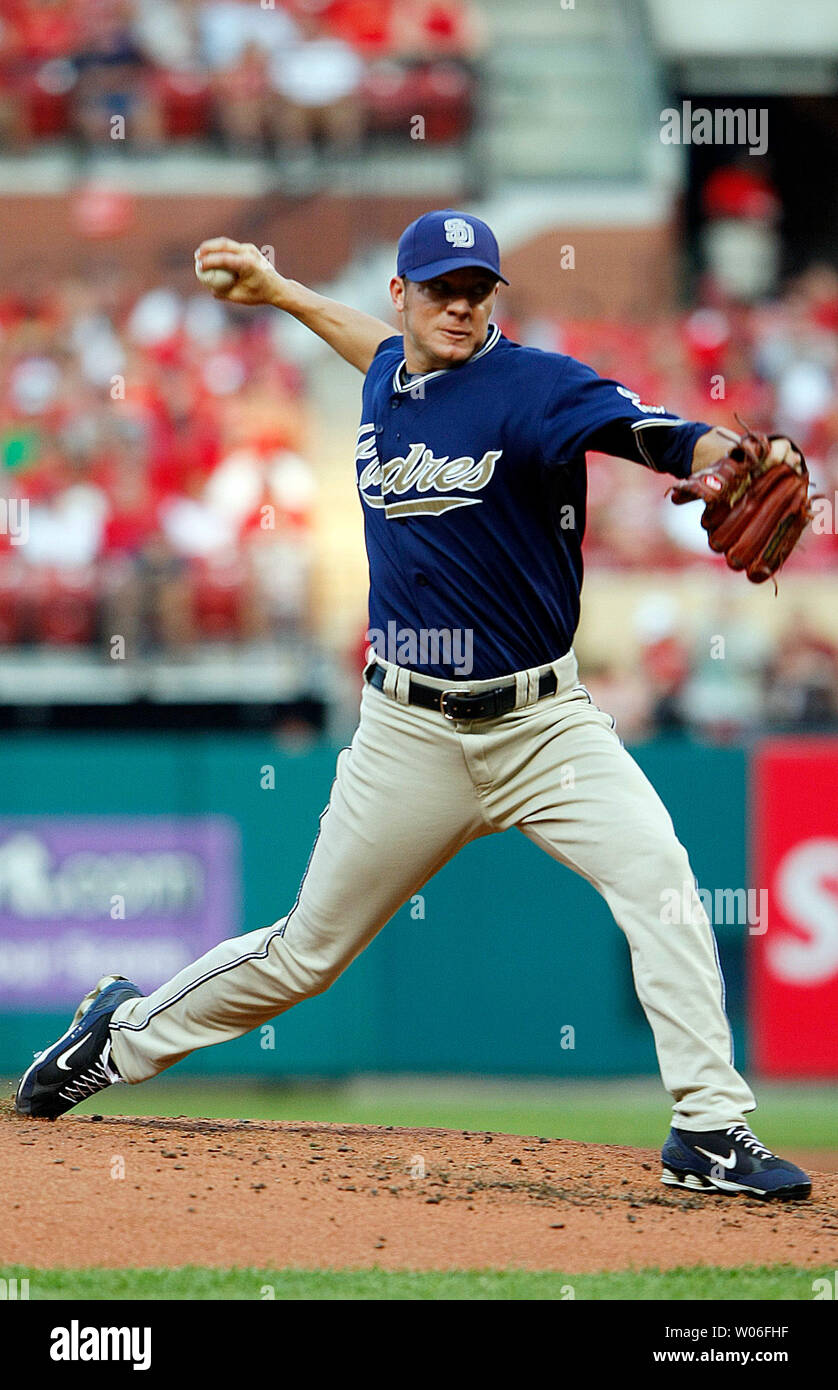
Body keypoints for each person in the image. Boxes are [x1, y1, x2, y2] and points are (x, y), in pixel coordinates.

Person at [16, 209, 811, 1201]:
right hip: (407, 732)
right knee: (307, 954)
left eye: (477, 290)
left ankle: (706, 1127)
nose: (461, 307)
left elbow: (634, 426)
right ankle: (117, 1037)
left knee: (660, 879)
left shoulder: (533, 383)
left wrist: (706, 453)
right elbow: (370, 348)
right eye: (441, 290)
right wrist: (281, 292)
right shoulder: (389, 373)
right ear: (403, 296)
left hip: (542, 724)